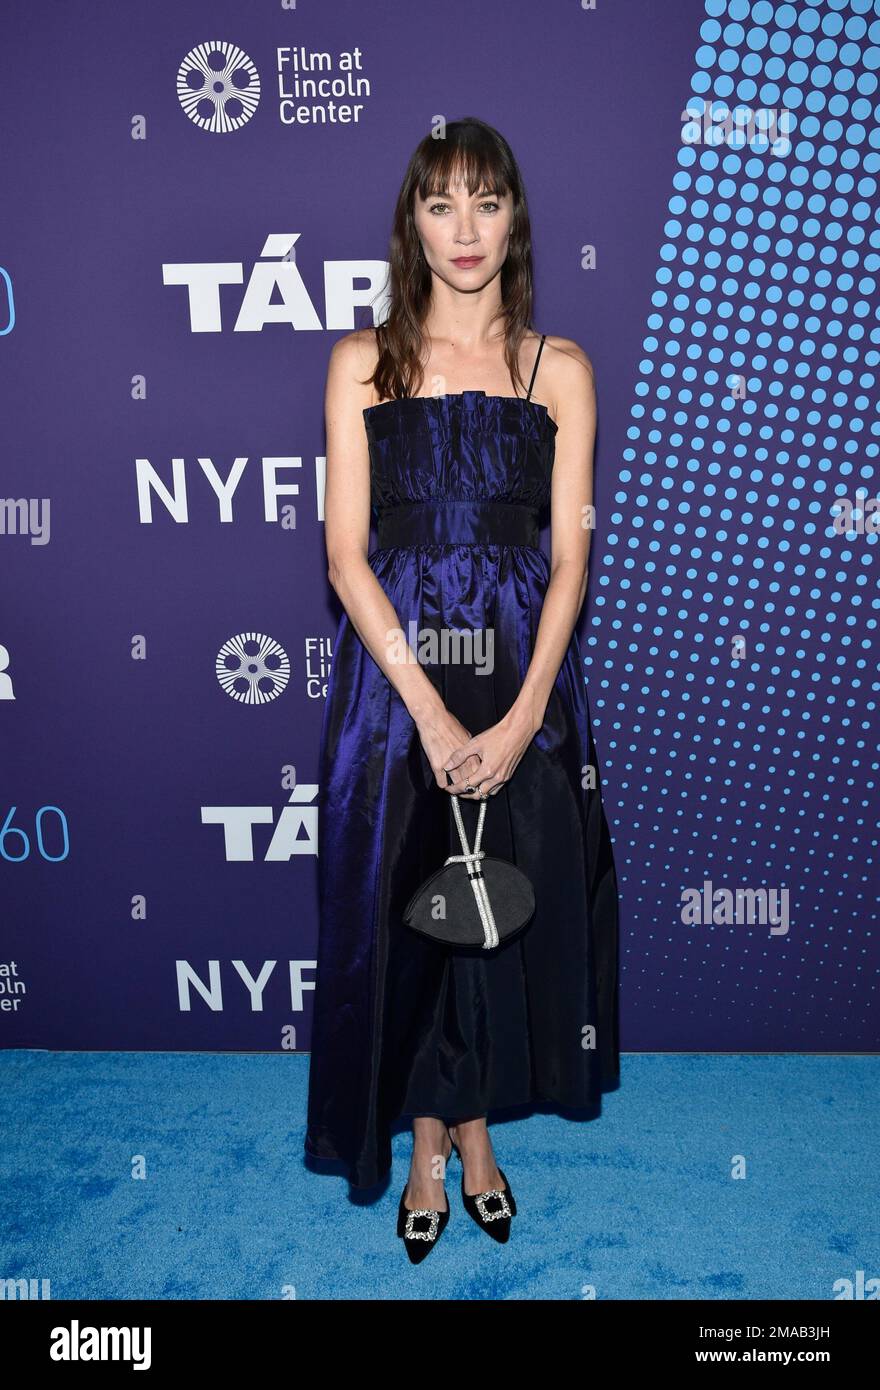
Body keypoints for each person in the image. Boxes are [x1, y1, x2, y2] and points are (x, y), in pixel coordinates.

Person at [304, 116, 620, 1261]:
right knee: (410, 919)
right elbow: (345, 555)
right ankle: (429, 1149)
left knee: (493, 913)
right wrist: (432, 712)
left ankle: (476, 1139)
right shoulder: (360, 363)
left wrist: (527, 708)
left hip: (522, 672)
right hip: (398, 688)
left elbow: (571, 556)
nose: (465, 228)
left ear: (514, 216)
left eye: (486, 200)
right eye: (441, 203)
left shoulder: (559, 369)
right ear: (412, 222)